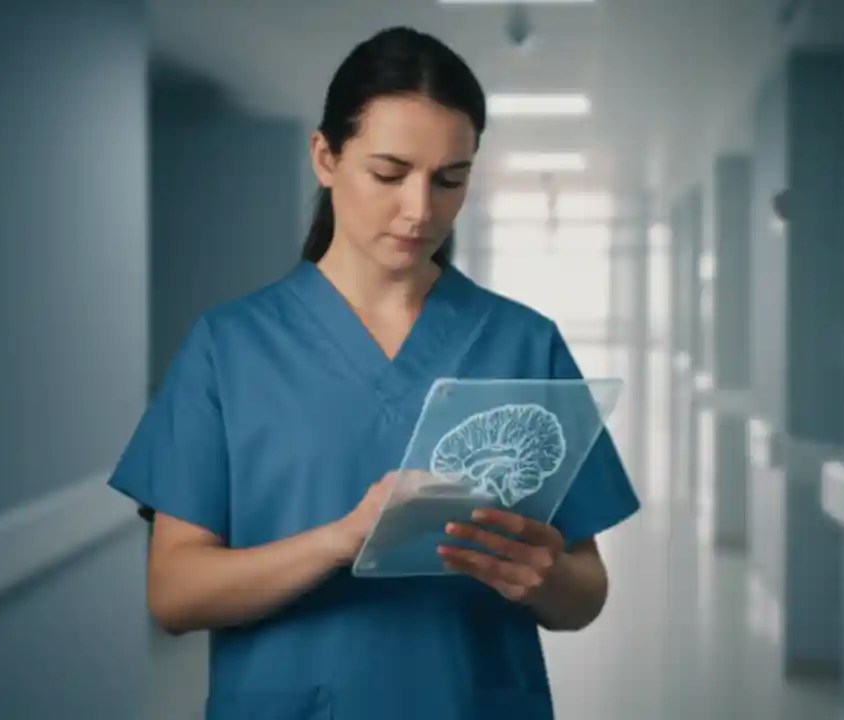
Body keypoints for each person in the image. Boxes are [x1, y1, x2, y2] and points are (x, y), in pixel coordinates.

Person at [108, 26, 640, 720]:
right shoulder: (229, 347)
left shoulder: (523, 341)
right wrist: (337, 542)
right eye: (389, 174)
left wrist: (544, 578)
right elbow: (174, 593)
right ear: (326, 157)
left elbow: (585, 591)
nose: (422, 210)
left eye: (450, 180)